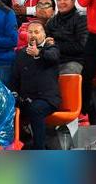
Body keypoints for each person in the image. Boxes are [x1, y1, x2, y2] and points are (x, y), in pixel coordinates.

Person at [9, 21, 61, 149]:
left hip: (47, 100)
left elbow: (53, 57)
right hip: (25, 99)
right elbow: (15, 78)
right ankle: (19, 145)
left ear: (44, 34)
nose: (33, 35)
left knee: (36, 109)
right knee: (6, 106)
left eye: (37, 32)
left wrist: (38, 53)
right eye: (30, 32)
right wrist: (13, 93)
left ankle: (39, 149)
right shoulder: (20, 54)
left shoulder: (52, 49)